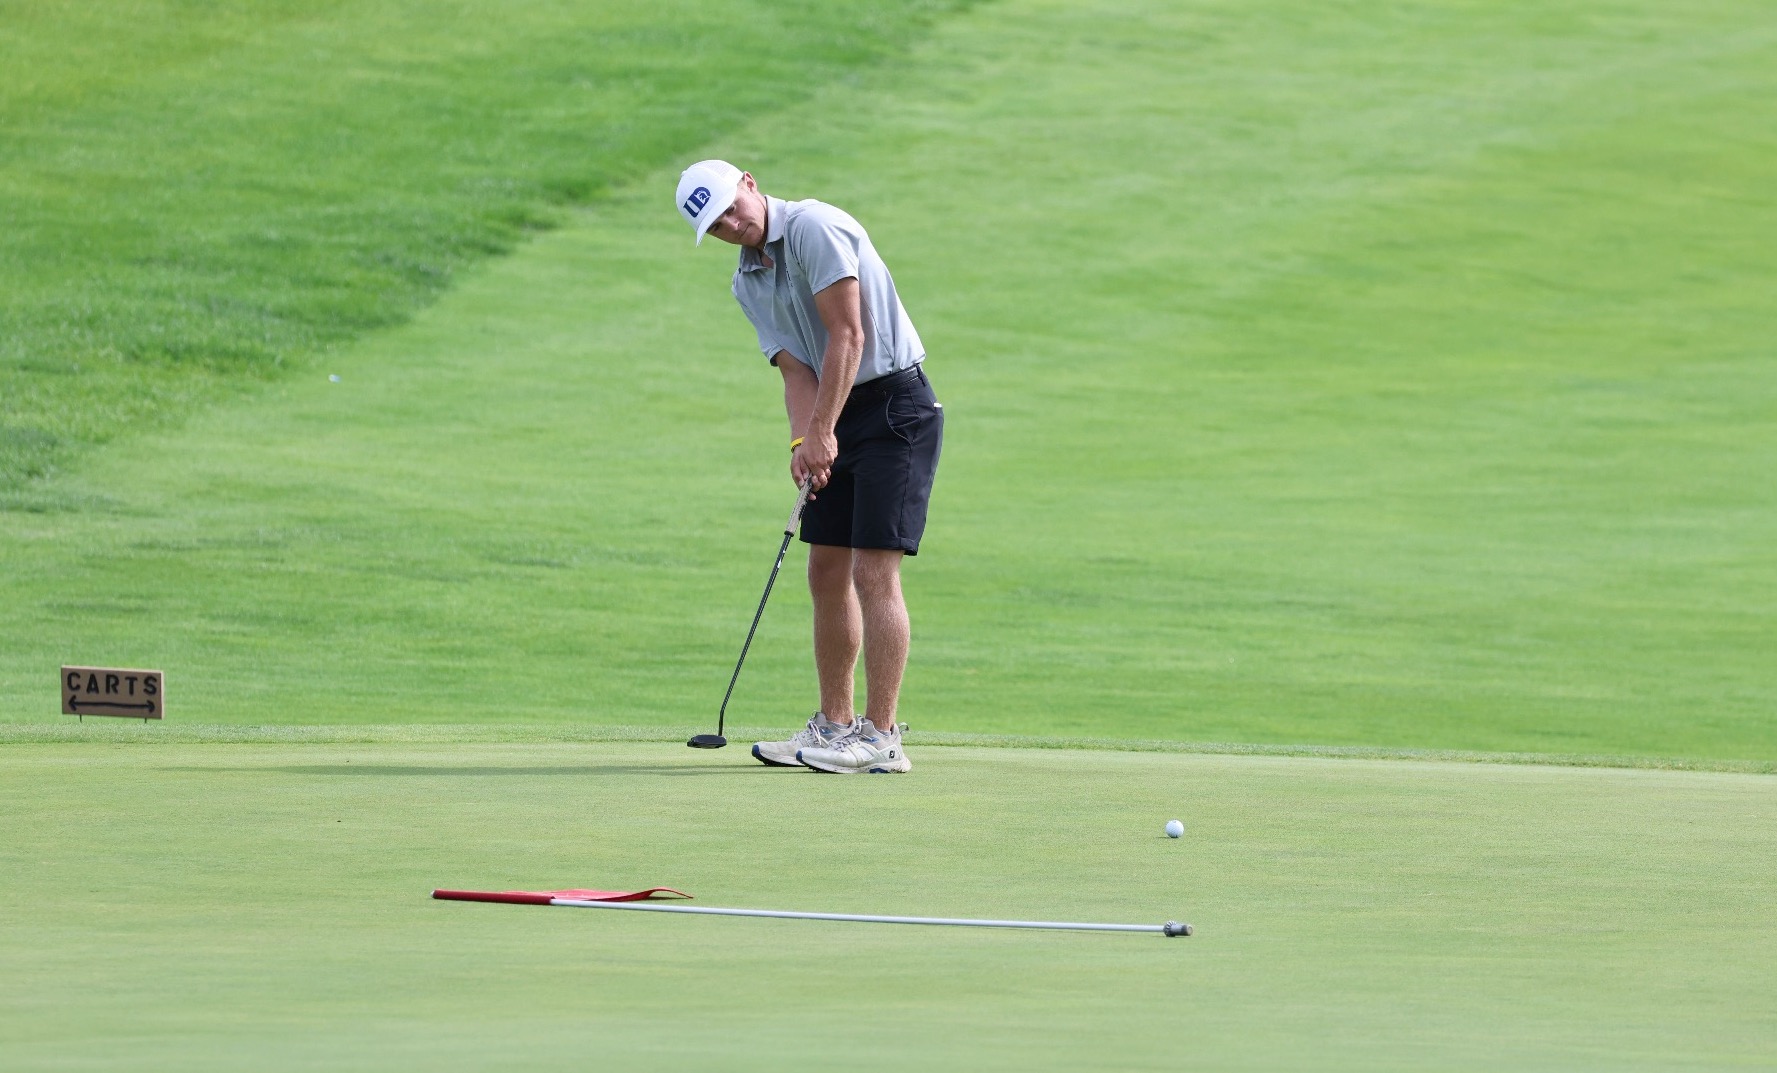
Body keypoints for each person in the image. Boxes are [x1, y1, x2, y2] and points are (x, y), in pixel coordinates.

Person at [674, 160, 943, 774]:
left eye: (729, 208)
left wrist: (824, 430)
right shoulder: (747, 283)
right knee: (825, 568)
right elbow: (797, 370)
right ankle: (834, 727)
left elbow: (847, 335)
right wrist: (805, 441)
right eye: (714, 226)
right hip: (833, 409)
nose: (729, 225)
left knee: (875, 572)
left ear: (748, 181)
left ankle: (882, 738)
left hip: (895, 409)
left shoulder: (813, 228)